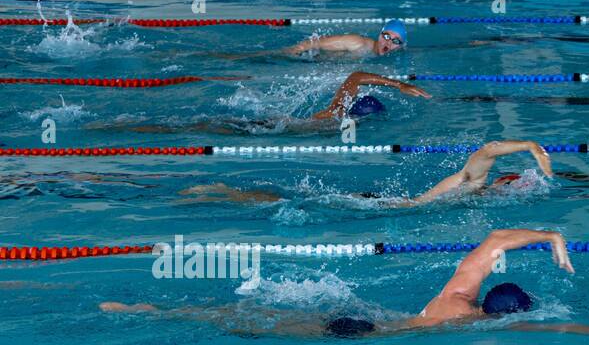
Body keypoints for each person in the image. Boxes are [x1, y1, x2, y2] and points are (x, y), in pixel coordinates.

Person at [100, 228, 589, 342]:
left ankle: (151, 307)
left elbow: (493, 239)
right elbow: (567, 326)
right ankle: (149, 311)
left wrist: (549, 236)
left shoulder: (456, 295)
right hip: (363, 334)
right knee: (248, 328)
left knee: (245, 320)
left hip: (367, 319)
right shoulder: (471, 324)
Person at [177, 140, 556, 207]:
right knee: (300, 202)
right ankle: (223, 191)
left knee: (305, 202)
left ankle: (223, 191)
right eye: (515, 185)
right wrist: (530, 146)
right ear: (504, 181)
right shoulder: (475, 182)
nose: (513, 190)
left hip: (393, 205)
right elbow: (489, 150)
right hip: (391, 206)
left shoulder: (481, 195)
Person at [117, 71, 429, 135]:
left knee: (198, 127)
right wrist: (399, 84)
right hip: (269, 128)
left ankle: (133, 127)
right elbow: (357, 74)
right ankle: (134, 129)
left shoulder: (339, 109)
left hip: (274, 123)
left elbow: (357, 76)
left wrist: (398, 84)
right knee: (196, 129)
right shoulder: (337, 118)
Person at [280, 19, 409, 59]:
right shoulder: (356, 42)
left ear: (401, 46)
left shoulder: (393, 54)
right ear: (379, 34)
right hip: (306, 59)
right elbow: (314, 43)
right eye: (386, 36)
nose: (388, 42)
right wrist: (290, 52)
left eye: (395, 41)